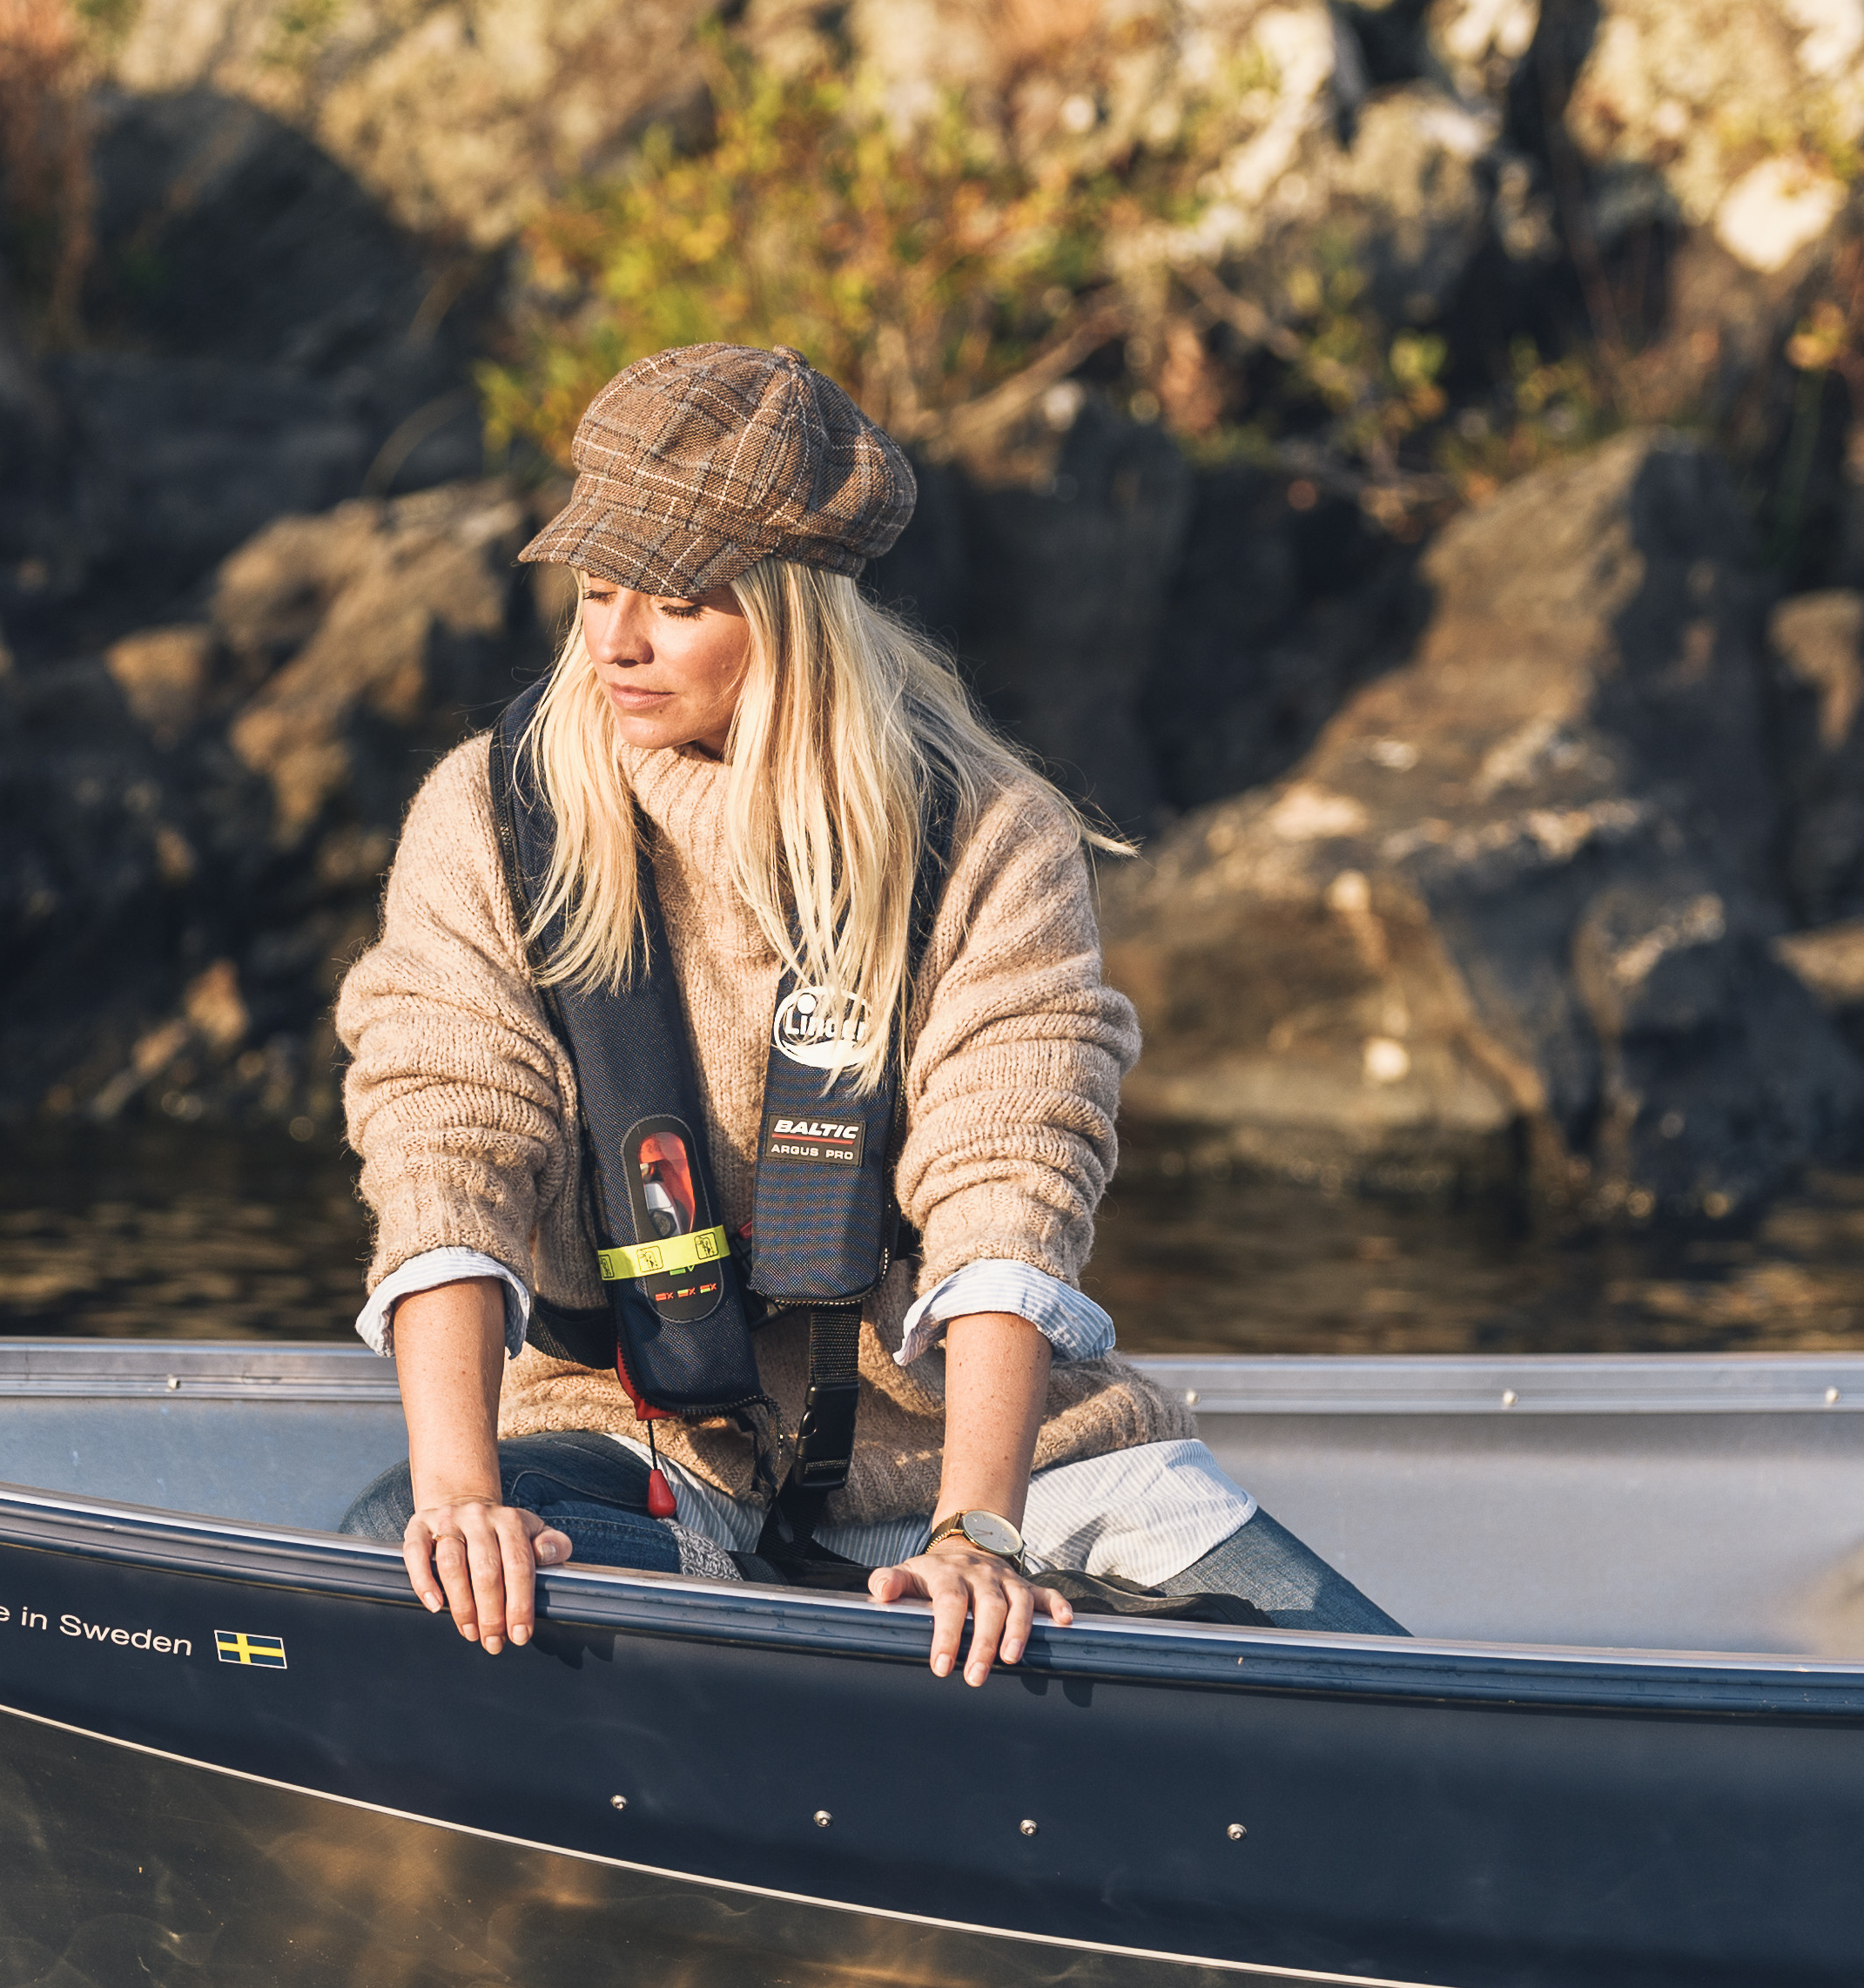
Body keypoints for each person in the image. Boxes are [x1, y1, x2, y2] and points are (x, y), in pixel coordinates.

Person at [333, 342, 1402, 1679]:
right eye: (595, 591)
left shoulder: (993, 832)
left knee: (1369, 1677)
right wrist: (459, 1494)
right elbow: (447, 1137)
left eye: (675, 602)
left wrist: (977, 1533)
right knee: (409, 1553)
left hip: (976, 1454)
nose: (616, 642)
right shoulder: (487, 818)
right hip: (632, 1436)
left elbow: (1009, 1181)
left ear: (793, 615)